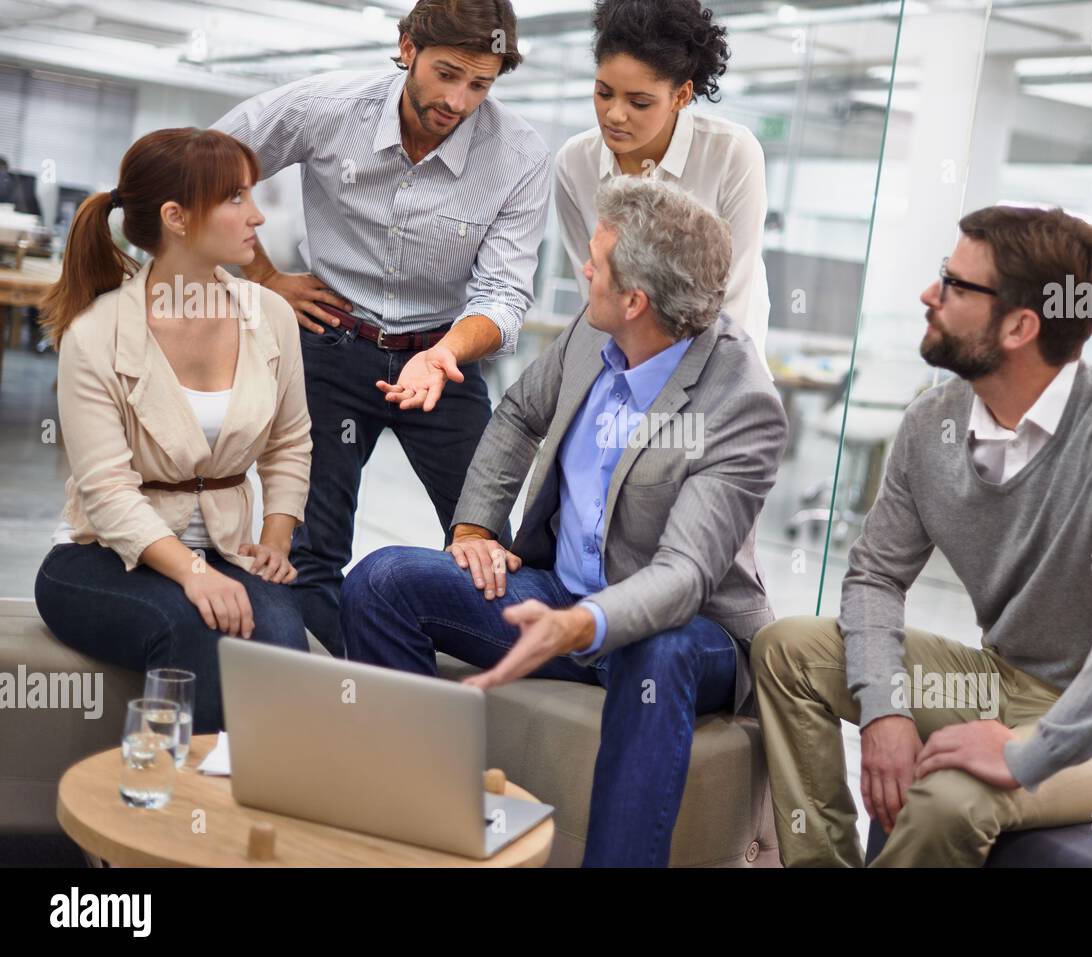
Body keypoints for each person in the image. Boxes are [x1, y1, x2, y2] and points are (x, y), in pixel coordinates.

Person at [340, 177, 787, 866]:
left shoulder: (739, 402)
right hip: (559, 593)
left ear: (635, 299)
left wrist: (583, 625)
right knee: (382, 580)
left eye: (596, 261)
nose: (583, 267)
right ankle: (423, 827)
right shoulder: (592, 328)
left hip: (688, 628)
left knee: (654, 649)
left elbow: (684, 575)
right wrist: (476, 529)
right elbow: (519, 414)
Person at [752, 206, 1092, 867]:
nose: (928, 295)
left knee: (950, 797)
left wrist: (1030, 751)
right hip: (1000, 679)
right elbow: (877, 575)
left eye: (955, 285)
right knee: (786, 649)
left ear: (1022, 325)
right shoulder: (930, 423)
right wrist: (884, 709)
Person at [211, 0, 551, 655]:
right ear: (406, 48)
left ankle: (445, 676)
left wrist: (446, 353)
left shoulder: (519, 155)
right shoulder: (326, 108)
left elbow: (505, 294)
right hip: (331, 350)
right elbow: (208, 163)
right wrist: (263, 275)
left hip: (441, 362)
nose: (458, 99)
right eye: (447, 74)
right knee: (310, 557)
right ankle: (374, 681)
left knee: (489, 548)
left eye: (480, 84)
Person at [34, 128, 313, 733]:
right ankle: (181, 809)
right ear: (176, 217)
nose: (256, 215)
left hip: (224, 548)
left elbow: (290, 442)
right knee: (193, 627)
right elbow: (107, 494)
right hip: (99, 556)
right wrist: (193, 573)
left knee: (286, 634)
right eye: (236, 198)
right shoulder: (96, 334)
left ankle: (265, 806)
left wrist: (276, 537)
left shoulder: (271, 316)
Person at [554, 0, 771, 363]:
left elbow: (735, 299)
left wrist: (699, 394)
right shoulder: (575, 163)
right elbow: (595, 295)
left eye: (639, 102)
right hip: (623, 368)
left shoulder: (731, 154)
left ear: (681, 96)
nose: (615, 114)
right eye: (604, 93)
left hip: (720, 371)